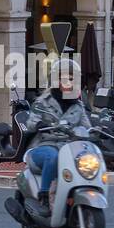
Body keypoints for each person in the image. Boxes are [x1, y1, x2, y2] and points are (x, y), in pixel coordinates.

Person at [26, 59, 91, 217]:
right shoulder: (42, 102)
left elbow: (87, 126)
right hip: (44, 145)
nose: (68, 82)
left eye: (72, 78)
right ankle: (44, 198)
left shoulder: (78, 105)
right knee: (53, 157)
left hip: (70, 148)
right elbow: (30, 123)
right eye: (64, 78)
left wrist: (96, 131)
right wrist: (39, 124)